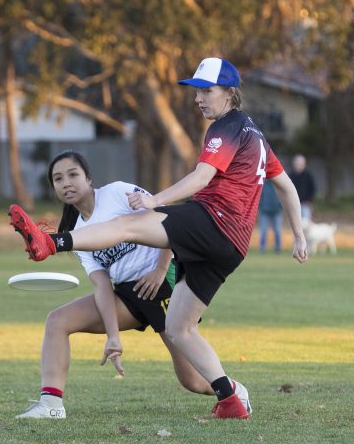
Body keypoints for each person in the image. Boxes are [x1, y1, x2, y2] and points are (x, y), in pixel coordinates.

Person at [9, 57, 308, 420]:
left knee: (133, 223)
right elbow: (285, 185)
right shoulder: (254, 135)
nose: (199, 99)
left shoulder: (225, 128)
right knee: (182, 333)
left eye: (207, 91)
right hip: (231, 246)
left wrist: (156, 201)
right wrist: (299, 235)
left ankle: (51, 243)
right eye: (196, 92)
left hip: (213, 221)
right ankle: (231, 399)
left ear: (230, 93)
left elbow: (200, 179)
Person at [16, 150, 241, 420]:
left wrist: (160, 269)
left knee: (192, 381)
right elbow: (102, 287)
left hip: (161, 285)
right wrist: (113, 336)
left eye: (73, 174)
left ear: (89, 178)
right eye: (58, 179)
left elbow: (168, 220)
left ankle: (234, 392)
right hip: (127, 295)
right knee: (57, 321)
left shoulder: (117, 193)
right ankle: (51, 404)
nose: (66, 183)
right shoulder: (76, 230)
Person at [288, 154, 316, 221]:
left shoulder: (308, 176)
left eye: (301, 164)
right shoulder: (290, 176)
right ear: (294, 164)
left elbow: (313, 189)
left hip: (305, 204)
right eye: (297, 164)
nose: (299, 166)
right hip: (294, 205)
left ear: (304, 164)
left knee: (306, 224)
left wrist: (309, 200)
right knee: (295, 223)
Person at [257, 178, 282, 253]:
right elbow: (259, 196)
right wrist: (260, 207)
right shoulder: (263, 183)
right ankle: (262, 248)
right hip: (265, 211)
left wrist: (280, 206)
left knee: (277, 230)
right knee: (263, 230)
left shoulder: (278, 184)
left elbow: (282, 196)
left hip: (276, 211)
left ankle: (277, 248)